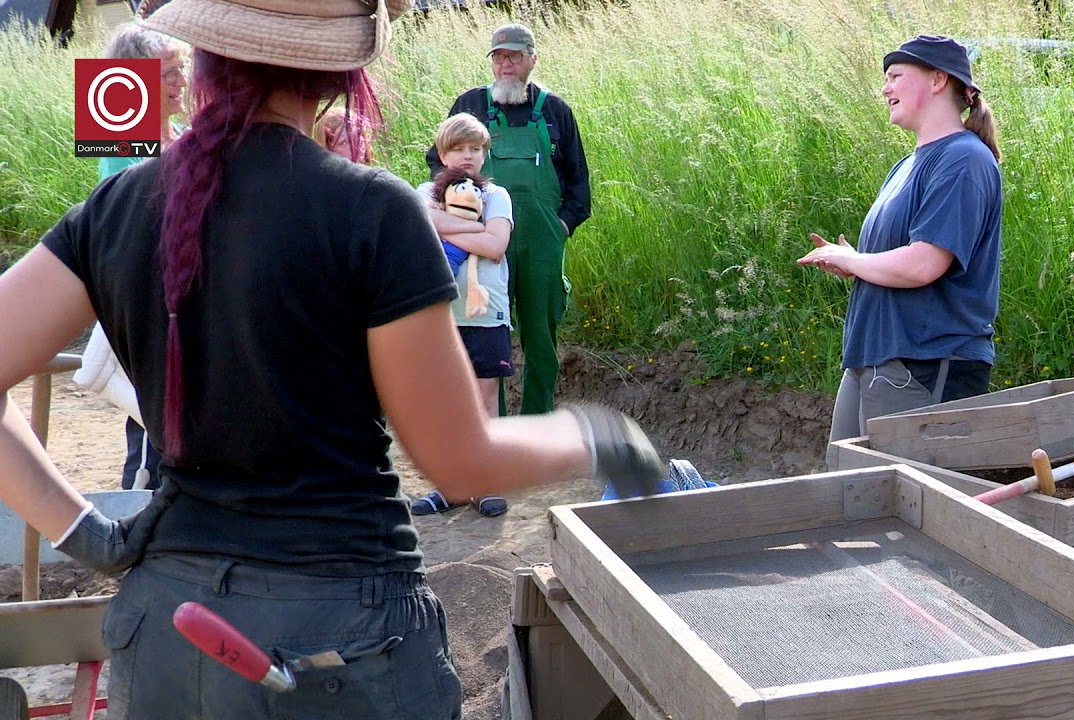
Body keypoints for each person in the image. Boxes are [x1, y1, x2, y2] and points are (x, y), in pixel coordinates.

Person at [0, 1, 663, 718]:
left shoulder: (119, 204)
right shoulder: (370, 209)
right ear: (340, 73)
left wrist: (83, 533)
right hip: (342, 635)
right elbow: (460, 461)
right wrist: (599, 436)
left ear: (206, 60)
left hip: (168, 628)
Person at [798, 35, 1003, 442]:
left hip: (925, 363)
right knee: (847, 493)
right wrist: (853, 261)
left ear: (938, 80)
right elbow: (904, 260)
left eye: (895, 76)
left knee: (900, 501)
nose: (885, 88)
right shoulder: (906, 166)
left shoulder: (963, 158)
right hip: (874, 358)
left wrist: (855, 261)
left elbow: (925, 264)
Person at [426, 22, 590, 416]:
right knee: (485, 336)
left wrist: (558, 229)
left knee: (541, 339)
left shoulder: (555, 111)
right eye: (499, 57)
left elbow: (579, 189)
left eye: (515, 56)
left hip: (541, 244)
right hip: (480, 243)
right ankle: (491, 430)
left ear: (532, 59)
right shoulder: (470, 105)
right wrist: (463, 227)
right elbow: (438, 168)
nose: (506, 65)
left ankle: (537, 425)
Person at [75, 20, 190, 490]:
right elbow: (120, 216)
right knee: (149, 428)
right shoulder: (123, 131)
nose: (182, 81)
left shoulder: (179, 131)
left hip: (182, 295)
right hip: (146, 292)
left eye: (182, 70)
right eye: (168, 73)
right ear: (136, 78)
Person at [413, 114, 515, 518]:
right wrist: (473, 228)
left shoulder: (498, 195)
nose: (467, 156)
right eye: (458, 149)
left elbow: (496, 244)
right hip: (440, 314)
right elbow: (424, 222)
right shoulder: (424, 190)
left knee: (484, 400)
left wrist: (446, 226)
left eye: (475, 149)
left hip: (487, 313)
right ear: (442, 154)